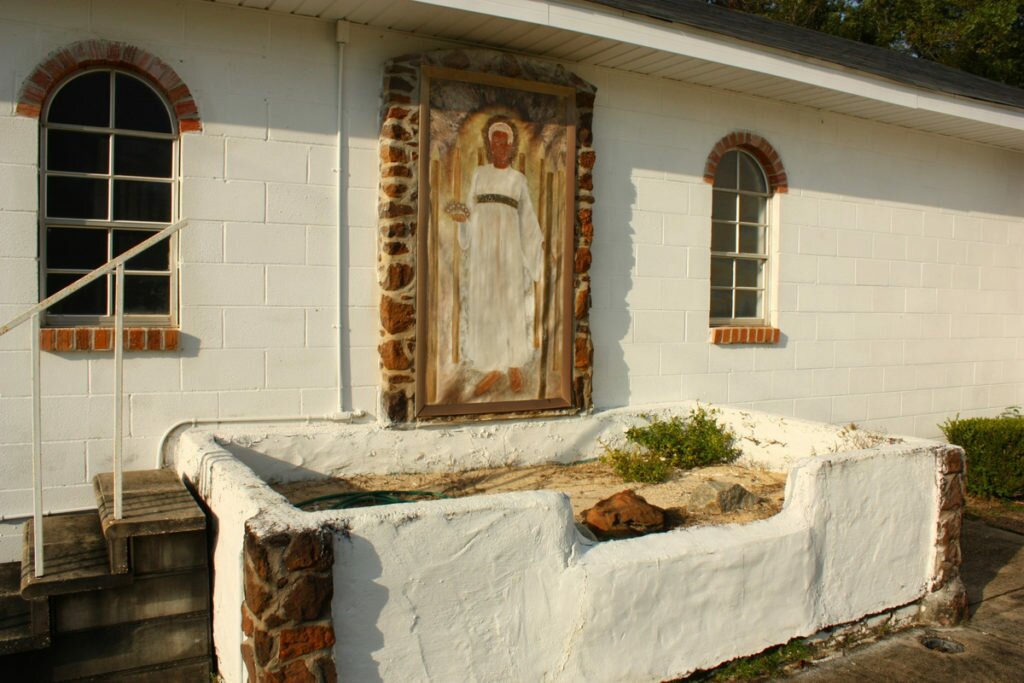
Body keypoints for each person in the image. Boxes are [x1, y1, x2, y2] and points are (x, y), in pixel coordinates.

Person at [446, 120, 544, 396]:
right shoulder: (479, 175)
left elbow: (527, 221)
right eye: (495, 141)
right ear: (490, 145)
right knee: (487, 302)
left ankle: (513, 364)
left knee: (510, 301)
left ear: (512, 146)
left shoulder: (518, 180)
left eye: (504, 142)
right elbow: (469, 211)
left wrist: (538, 243)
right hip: (484, 252)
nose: (499, 146)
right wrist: (462, 222)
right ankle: (492, 366)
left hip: (510, 250)